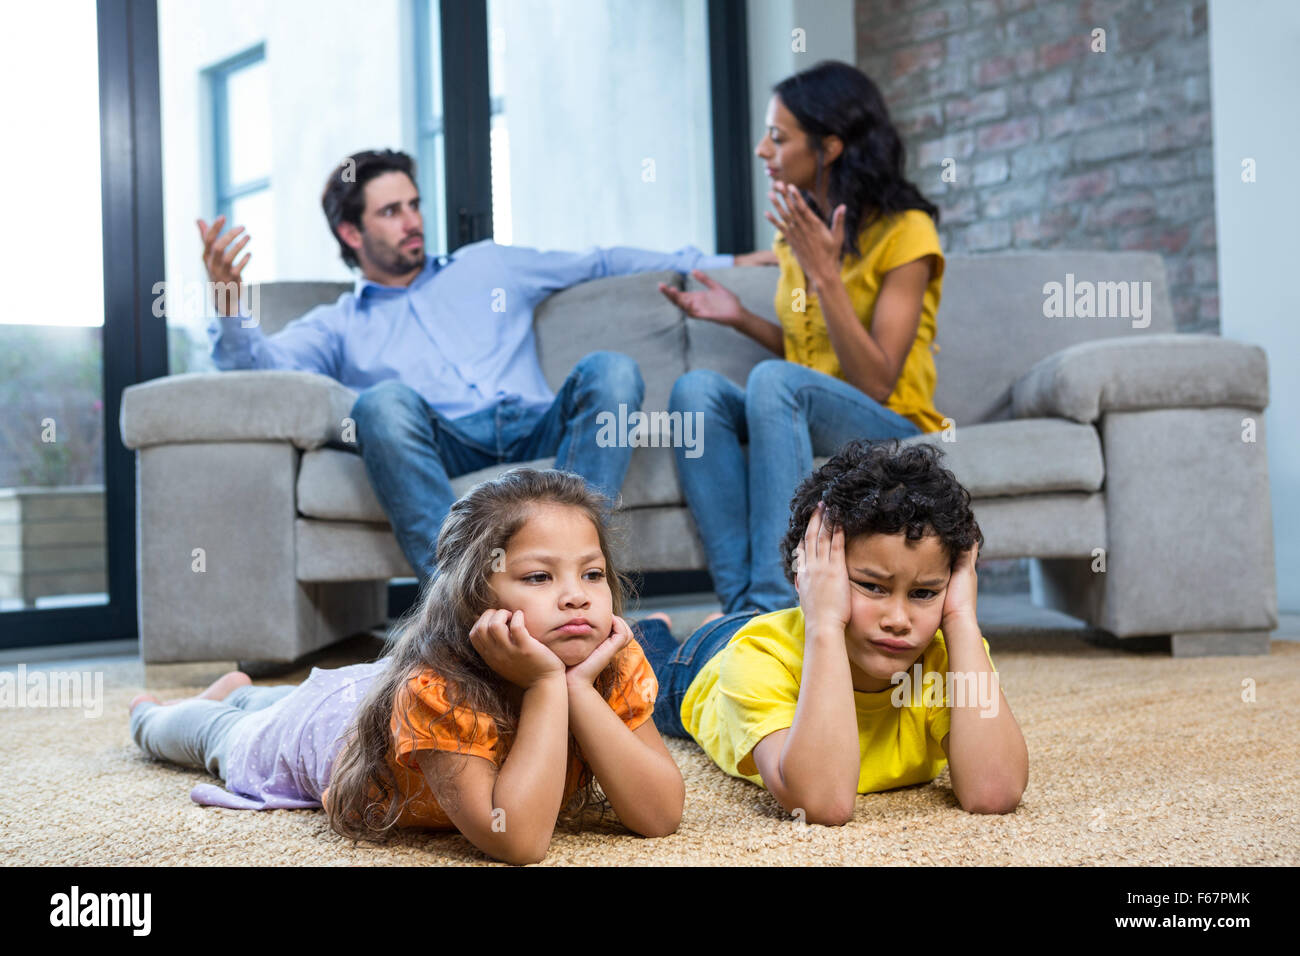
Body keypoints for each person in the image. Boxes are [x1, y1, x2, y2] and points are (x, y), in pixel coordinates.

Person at [199, 149, 772, 586]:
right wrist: (228, 299)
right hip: (446, 442)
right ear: (352, 233)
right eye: (391, 212)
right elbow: (255, 370)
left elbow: (603, 260)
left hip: (531, 423)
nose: (412, 221)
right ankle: (458, 599)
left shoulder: (488, 265)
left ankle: (572, 569)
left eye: (414, 205)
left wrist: (724, 263)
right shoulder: (339, 323)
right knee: (381, 404)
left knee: (613, 372)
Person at [128, 468, 685, 865]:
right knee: (222, 734)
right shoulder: (438, 689)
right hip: (319, 730)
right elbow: (519, 842)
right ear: (474, 594)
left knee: (287, 697)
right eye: (539, 577)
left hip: (366, 691)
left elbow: (659, 816)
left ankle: (247, 692)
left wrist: (578, 690)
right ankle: (164, 712)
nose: (577, 597)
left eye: (591, 574)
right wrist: (545, 684)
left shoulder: (607, 663)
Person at [659, 60, 949, 615]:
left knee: (772, 382)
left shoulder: (907, 232)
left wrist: (826, 277)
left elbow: (876, 380)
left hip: (893, 425)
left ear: (830, 146)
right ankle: (742, 610)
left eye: (778, 136)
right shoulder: (797, 232)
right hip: (821, 405)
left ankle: (776, 603)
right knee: (695, 392)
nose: (762, 151)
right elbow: (808, 361)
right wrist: (740, 317)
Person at [636, 439, 1028, 822]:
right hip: (707, 662)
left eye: (924, 592)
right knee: (641, 667)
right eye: (872, 586)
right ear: (811, 578)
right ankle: (663, 626)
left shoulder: (951, 658)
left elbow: (994, 792)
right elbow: (822, 803)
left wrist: (961, 618)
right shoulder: (756, 659)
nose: (898, 618)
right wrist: (824, 623)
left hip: (789, 626)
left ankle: (734, 615)